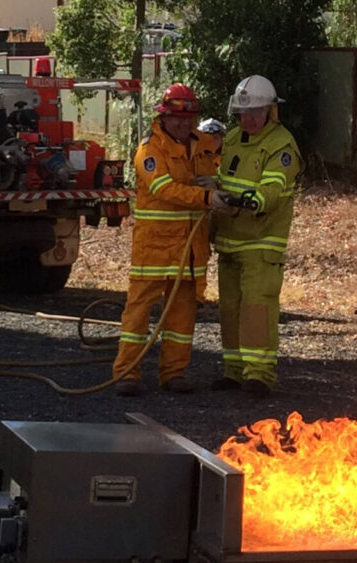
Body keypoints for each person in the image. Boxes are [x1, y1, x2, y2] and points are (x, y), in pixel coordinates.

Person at [112, 83, 219, 397]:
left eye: (189, 118)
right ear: (164, 118)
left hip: (190, 248)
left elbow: (216, 173)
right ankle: (127, 374)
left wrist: (218, 183)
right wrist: (207, 197)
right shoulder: (150, 150)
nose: (184, 124)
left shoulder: (204, 144)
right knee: (138, 312)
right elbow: (164, 189)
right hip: (155, 247)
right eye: (177, 118)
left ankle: (174, 373)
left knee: (182, 315)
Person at [209, 75, 303, 397]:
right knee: (230, 309)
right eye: (243, 113)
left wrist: (256, 199)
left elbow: (275, 186)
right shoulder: (233, 139)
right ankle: (234, 371)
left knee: (256, 309)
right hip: (230, 242)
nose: (248, 119)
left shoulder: (281, 144)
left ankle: (259, 375)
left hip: (261, 243)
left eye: (255, 113)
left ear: (270, 112)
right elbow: (221, 178)